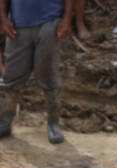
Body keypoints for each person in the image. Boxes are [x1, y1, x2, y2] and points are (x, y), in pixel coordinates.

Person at [0, 0, 71, 143]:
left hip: (49, 21)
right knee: (11, 77)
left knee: (48, 74)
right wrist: (3, 18)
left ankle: (53, 124)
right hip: (18, 24)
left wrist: (67, 19)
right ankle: (4, 122)